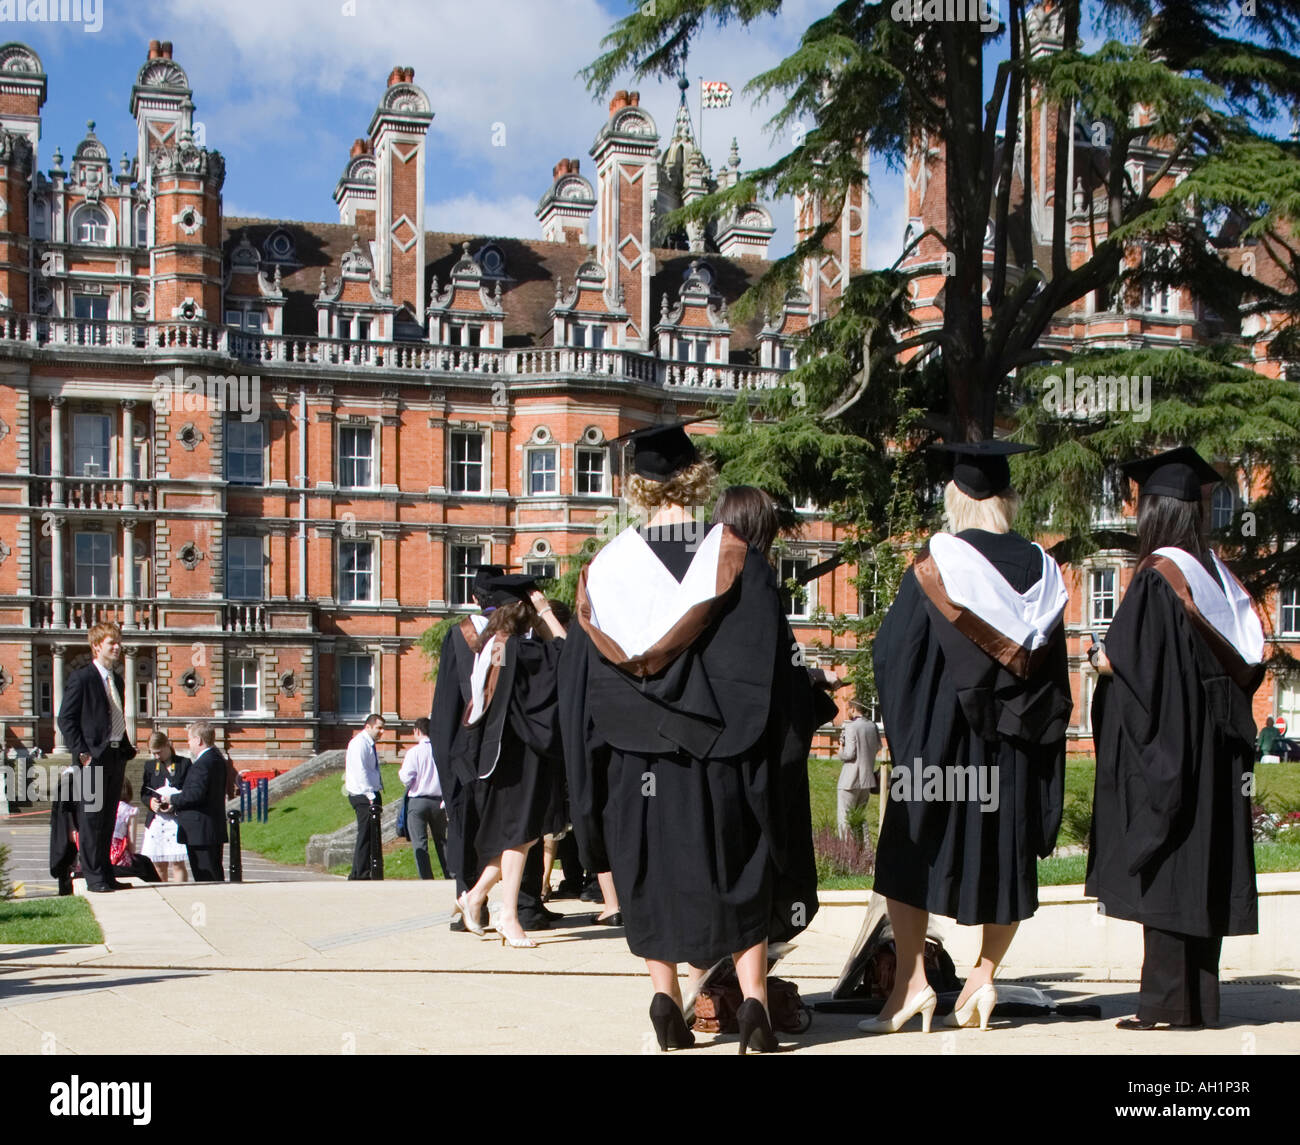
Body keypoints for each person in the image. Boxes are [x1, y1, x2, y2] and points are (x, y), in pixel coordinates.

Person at [561, 434, 824, 1054]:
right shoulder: (736, 559)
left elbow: (583, 695)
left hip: (639, 762)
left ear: (637, 488)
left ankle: (666, 1001)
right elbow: (774, 677)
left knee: (651, 872)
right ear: (699, 478)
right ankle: (754, 1002)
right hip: (724, 757)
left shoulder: (604, 572)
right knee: (741, 867)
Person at [865, 441, 1071, 1035]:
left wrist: (909, 734)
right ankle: (982, 976)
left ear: (955, 499)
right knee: (1005, 859)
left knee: (908, 853)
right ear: (1009, 499)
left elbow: (895, 655)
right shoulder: (1044, 571)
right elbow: (1053, 675)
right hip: (1011, 752)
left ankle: (912, 984)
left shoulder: (936, 566)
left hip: (942, 748)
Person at [1087, 447, 1265, 1030]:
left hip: (1172, 746)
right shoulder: (1219, 579)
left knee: (1168, 865)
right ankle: (1199, 1002)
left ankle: (1164, 1006)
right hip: (1215, 747)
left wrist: (1104, 664)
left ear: (1154, 514)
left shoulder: (1158, 578)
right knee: (1202, 863)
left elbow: (1138, 665)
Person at [450, 575, 568, 948]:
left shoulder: (493, 644)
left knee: (524, 835)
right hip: (518, 752)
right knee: (520, 835)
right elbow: (567, 652)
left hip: (496, 751)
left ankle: (475, 895)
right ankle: (509, 916)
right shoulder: (517, 649)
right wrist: (547, 612)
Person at [51, 622, 136, 894]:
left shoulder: (117, 679)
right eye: (112, 643)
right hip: (93, 760)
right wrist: (82, 752)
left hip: (114, 755)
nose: (117, 647)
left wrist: (124, 747)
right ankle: (93, 876)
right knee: (91, 819)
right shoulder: (82, 678)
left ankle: (106, 873)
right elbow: (65, 719)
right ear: (97, 646)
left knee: (108, 817)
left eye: (119, 642)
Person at [160, 721, 229, 882]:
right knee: (213, 873)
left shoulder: (203, 763)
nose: (188, 743)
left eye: (189, 739)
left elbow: (195, 795)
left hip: (201, 829)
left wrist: (172, 798)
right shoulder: (216, 758)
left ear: (198, 740)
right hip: (209, 827)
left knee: (206, 876)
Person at [400, 717, 448, 879]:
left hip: (418, 800)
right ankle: (451, 874)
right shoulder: (441, 750)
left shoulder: (414, 752)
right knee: (442, 841)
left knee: (420, 842)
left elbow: (407, 777)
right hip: (438, 800)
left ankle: (426, 877)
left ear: (417, 731)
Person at [140, 731, 191, 883]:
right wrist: (151, 803)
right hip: (156, 820)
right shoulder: (150, 766)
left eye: (159, 752)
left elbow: (189, 791)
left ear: (167, 745)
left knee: (177, 863)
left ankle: (180, 893)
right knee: (158, 864)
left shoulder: (184, 764)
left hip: (176, 819)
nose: (156, 756)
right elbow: (144, 793)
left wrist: (174, 804)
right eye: (153, 753)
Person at [344, 714, 385, 880]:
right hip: (362, 793)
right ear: (368, 726)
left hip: (369, 792)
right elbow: (360, 771)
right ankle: (360, 872)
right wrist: (370, 795)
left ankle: (361, 870)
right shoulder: (359, 743)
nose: (382, 732)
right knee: (365, 833)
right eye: (379, 728)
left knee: (370, 833)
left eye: (383, 728)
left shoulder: (368, 743)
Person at [836, 701, 880, 839]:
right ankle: (863, 851)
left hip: (850, 780)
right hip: (867, 780)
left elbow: (848, 754)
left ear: (853, 709)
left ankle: (846, 853)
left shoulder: (851, 727)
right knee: (859, 818)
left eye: (848, 709)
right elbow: (878, 746)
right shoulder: (873, 726)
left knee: (845, 819)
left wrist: (840, 747)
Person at [109, 780, 160, 884]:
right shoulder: (129, 810)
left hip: (97, 857)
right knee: (145, 863)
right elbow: (132, 847)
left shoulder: (101, 808)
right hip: (117, 859)